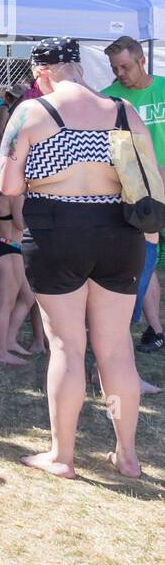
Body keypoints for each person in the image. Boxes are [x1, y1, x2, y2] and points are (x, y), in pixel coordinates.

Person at [0, 37, 144, 479]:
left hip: (57, 232)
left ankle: (62, 457)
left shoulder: (31, 112)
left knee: (67, 345)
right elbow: (149, 174)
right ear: (78, 67)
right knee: (116, 350)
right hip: (121, 232)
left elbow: (8, 185)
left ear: (40, 73)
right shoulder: (122, 110)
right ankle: (127, 454)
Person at [102, 35, 165, 354]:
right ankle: (151, 329)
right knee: (144, 260)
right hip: (139, 198)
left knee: (148, 260)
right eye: (115, 68)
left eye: (125, 66)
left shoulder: (164, 88)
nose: (120, 73)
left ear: (142, 61)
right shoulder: (108, 99)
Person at [0, 145, 43, 365]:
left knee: (28, 297)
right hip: (9, 250)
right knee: (5, 304)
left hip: (8, 248)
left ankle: (9, 340)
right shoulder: (16, 193)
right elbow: (20, 223)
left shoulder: (1, 190)